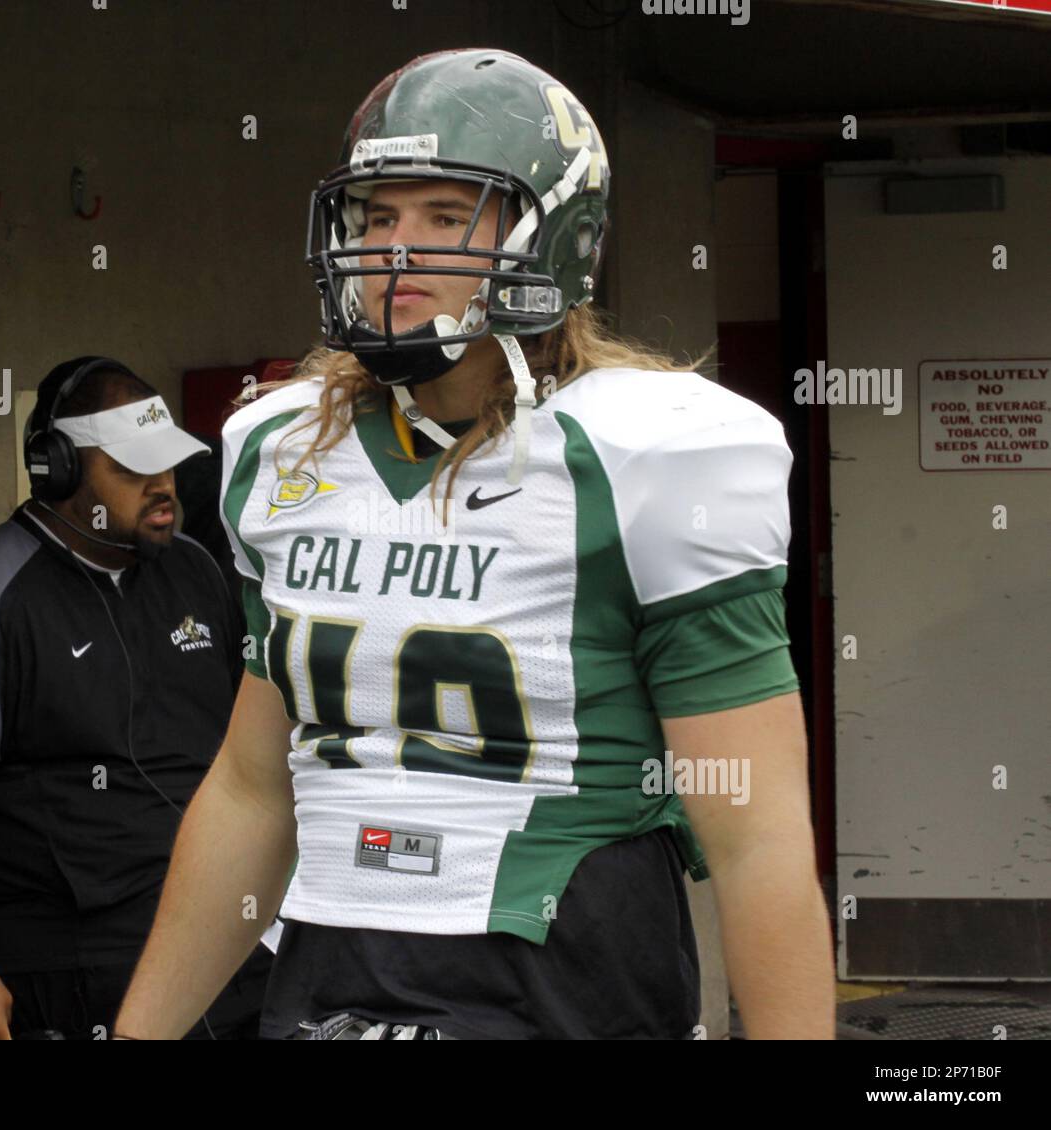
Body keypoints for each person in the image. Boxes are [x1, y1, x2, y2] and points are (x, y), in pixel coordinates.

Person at [116, 49, 834, 1040]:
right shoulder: (280, 451)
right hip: (326, 962)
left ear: (559, 239)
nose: (393, 250)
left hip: (559, 967)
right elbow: (250, 789)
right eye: (376, 215)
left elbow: (756, 837)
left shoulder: (650, 453)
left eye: (444, 215)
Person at [0, 356, 271, 1040]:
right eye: (134, 470)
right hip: (73, 963)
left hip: (223, 936)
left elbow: (250, 756)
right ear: (59, 469)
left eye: (168, 465)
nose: (163, 487)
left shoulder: (197, 571)